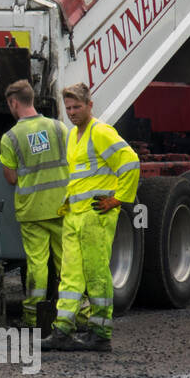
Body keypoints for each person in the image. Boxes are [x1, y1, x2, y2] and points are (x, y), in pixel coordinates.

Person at [44, 83, 140, 352]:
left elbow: (130, 162)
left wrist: (118, 199)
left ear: (89, 105)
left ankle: (100, 333)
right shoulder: (74, 136)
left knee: (97, 274)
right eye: (69, 108)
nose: (72, 112)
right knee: (70, 275)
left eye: (77, 107)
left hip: (97, 215)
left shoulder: (101, 133)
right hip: (76, 216)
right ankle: (62, 330)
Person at [0, 80, 69, 330]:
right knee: (67, 261)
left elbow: (11, 177)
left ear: (14, 102)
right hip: (62, 206)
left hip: (31, 210)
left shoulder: (10, 138)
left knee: (37, 264)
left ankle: (32, 317)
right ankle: (71, 316)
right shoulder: (59, 128)